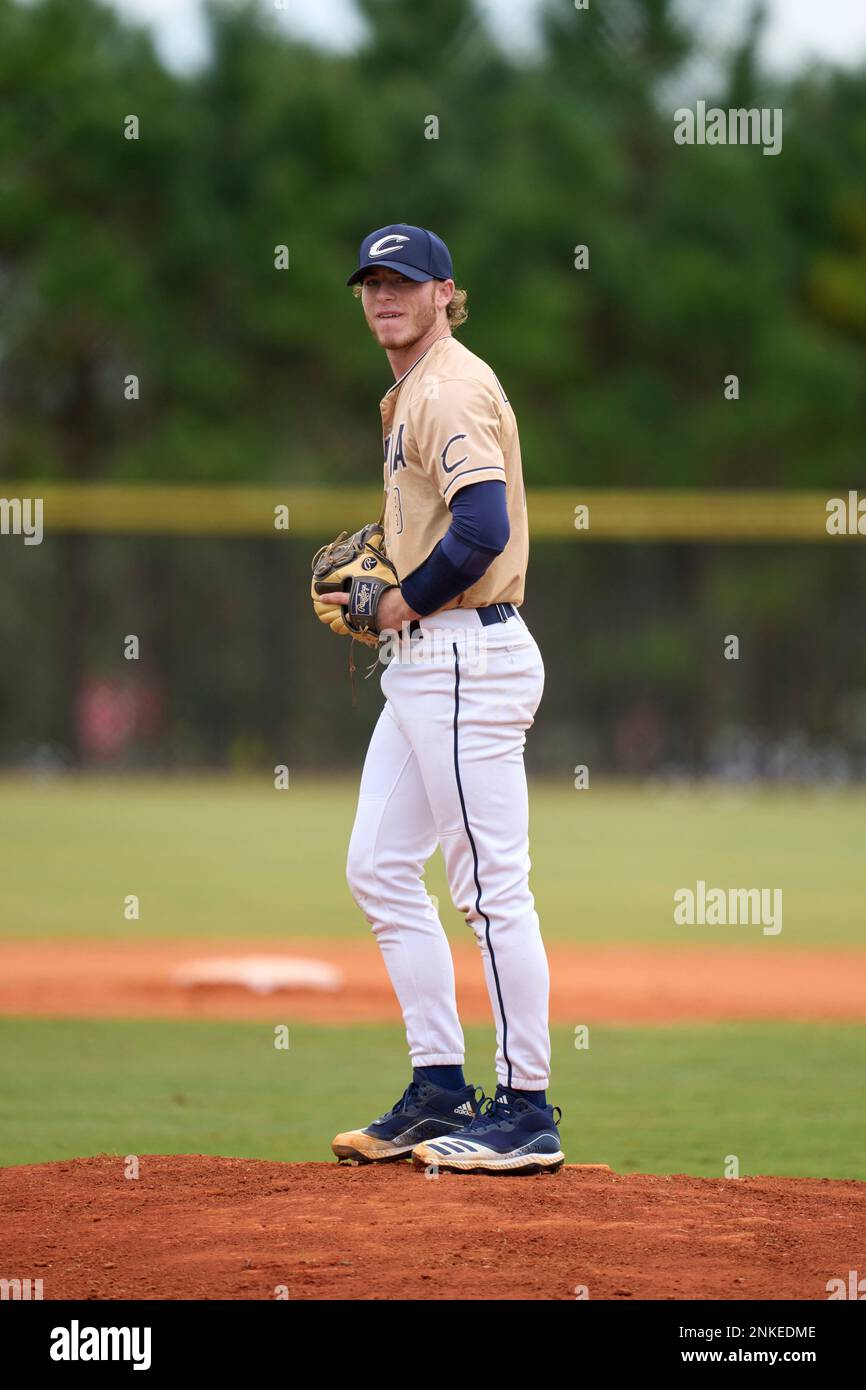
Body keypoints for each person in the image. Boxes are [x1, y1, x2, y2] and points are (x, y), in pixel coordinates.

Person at [324, 224, 562, 1175]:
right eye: (372, 282)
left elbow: (484, 523)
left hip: (464, 656)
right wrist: (397, 608)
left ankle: (528, 1109)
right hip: (430, 663)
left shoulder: (450, 385)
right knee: (380, 867)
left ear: (444, 292)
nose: (386, 296)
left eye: (405, 282)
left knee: (490, 892)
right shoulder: (413, 390)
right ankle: (437, 1089)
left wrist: (395, 601)